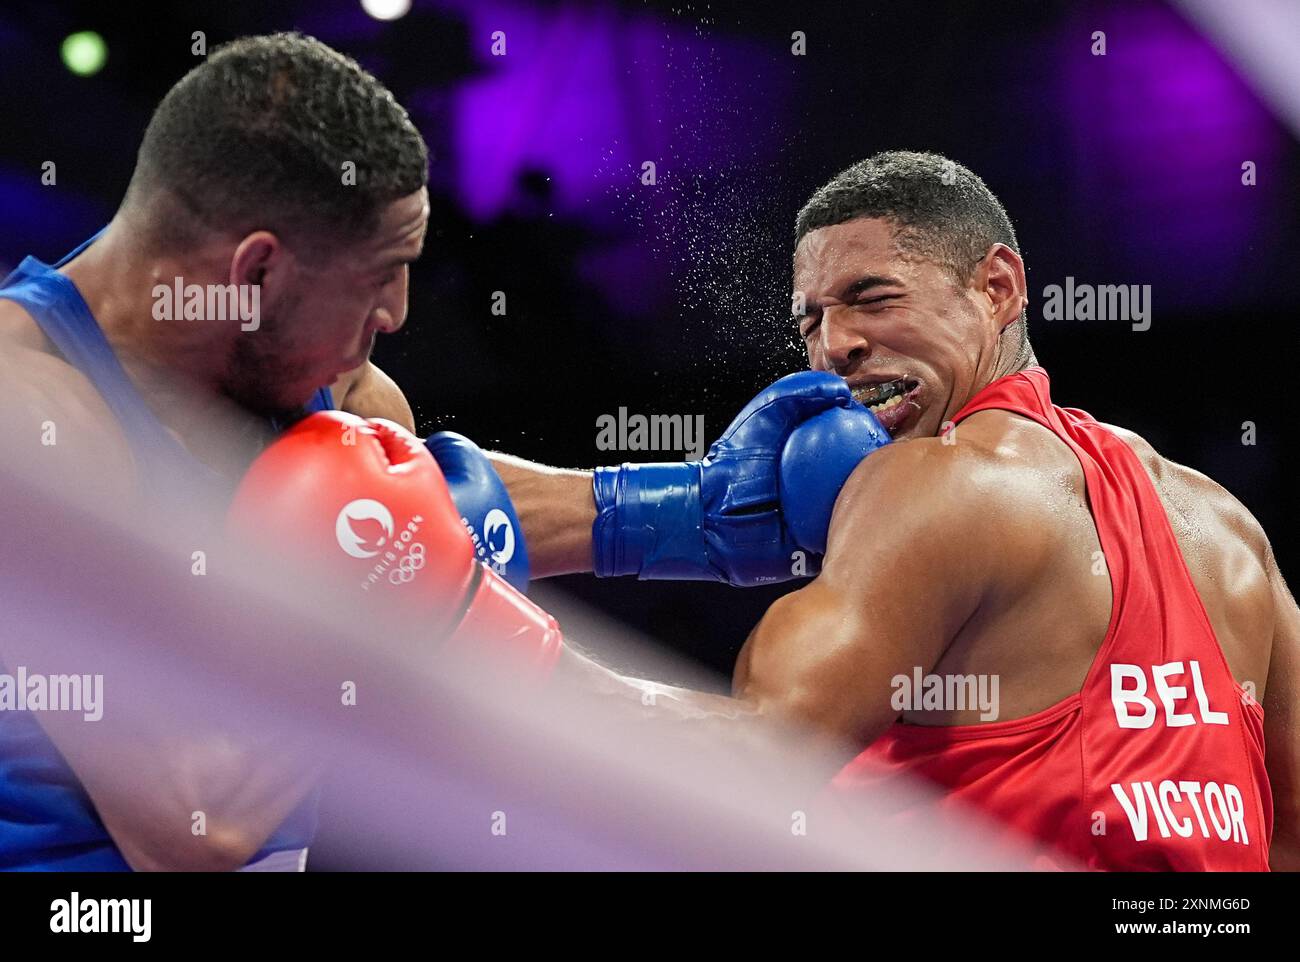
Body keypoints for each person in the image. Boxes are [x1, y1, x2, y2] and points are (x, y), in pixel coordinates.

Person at [247, 151, 1297, 871]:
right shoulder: (1228, 529)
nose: (831, 344)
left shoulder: (931, 484)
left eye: (873, 297)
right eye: (810, 317)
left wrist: (461, 618)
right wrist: (682, 509)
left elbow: (748, 768)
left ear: (998, 287)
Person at [0, 33, 876, 871]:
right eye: (380, 273)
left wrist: (686, 510)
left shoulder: (333, 388)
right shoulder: (29, 423)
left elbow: (433, 535)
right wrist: (387, 604)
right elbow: (194, 823)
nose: (397, 315)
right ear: (256, 273)